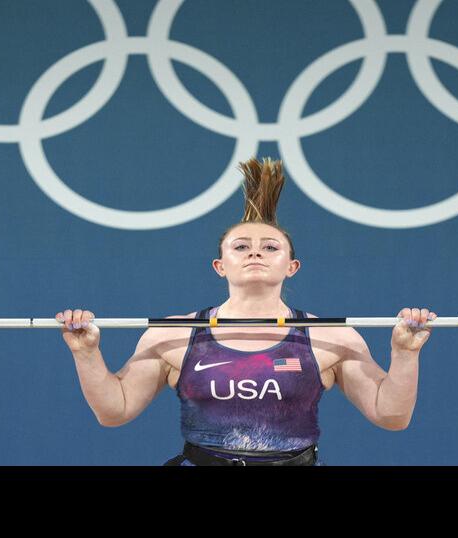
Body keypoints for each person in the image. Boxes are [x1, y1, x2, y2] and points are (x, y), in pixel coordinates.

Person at [56, 157, 436, 466]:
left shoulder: (331, 336)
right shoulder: (173, 334)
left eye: (271, 247)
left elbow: (391, 416)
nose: (255, 252)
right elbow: (115, 410)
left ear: (292, 266)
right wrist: (86, 353)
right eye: (240, 246)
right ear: (220, 266)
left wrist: (405, 353)